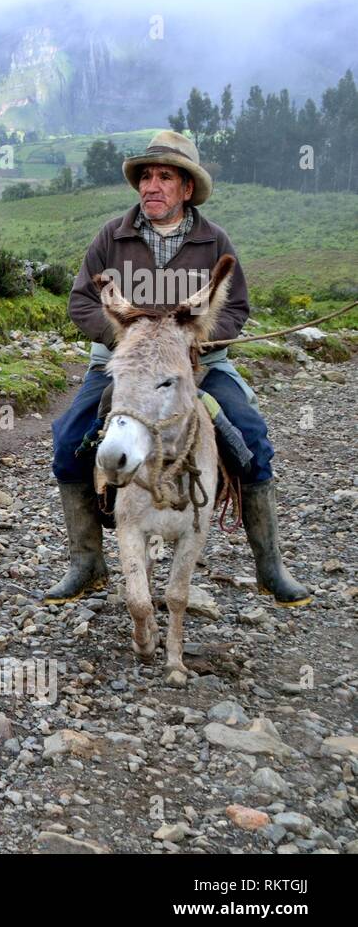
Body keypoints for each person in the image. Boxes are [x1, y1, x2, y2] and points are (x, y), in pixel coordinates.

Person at [44, 130, 310, 607]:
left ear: (187, 188)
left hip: (199, 366)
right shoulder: (112, 236)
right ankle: (87, 563)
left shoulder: (213, 241)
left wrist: (194, 342)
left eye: (165, 176)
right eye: (146, 176)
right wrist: (128, 338)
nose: (152, 185)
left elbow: (235, 308)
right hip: (122, 364)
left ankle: (270, 566)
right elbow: (83, 301)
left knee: (248, 436)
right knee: (69, 440)